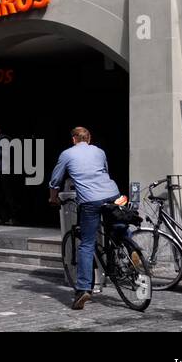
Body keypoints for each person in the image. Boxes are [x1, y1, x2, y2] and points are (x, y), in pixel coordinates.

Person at [48, 126, 121, 310]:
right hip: (112, 193)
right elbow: (104, 171)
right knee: (117, 227)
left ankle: (82, 289)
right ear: (89, 139)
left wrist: (53, 197)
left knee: (86, 244)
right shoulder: (99, 151)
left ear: (74, 139)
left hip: (89, 200)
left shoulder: (67, 154)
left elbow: (56, 180)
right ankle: (130, 249)